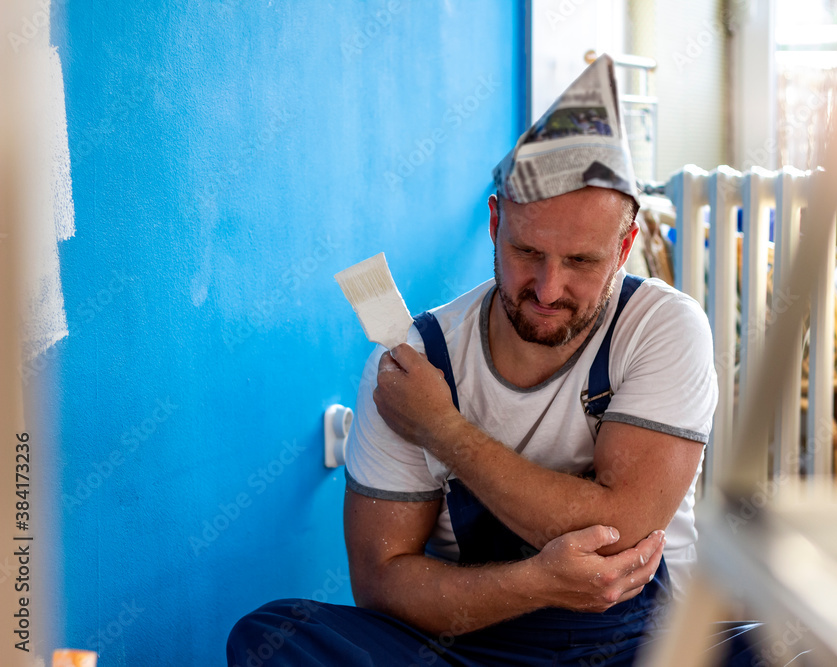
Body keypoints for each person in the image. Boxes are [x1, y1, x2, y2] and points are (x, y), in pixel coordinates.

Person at [227, 54, 763, 667]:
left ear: (624, 246)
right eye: (526, 251)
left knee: (801, 647)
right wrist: (536, 582)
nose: (547, 288)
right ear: (493, 222)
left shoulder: (662, 327)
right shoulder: (413, 363)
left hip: (642, 650)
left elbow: (621, 529)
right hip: (474, 651)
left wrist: (442, 429)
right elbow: (380, 583)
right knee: (274, 633)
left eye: (582, 262)